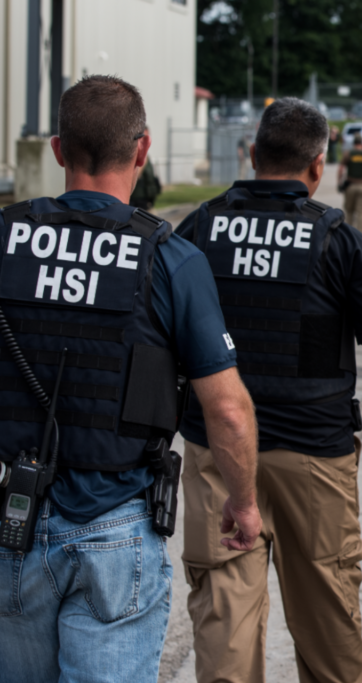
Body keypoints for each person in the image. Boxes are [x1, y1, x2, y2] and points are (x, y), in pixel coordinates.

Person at [175, 97, 362, 683]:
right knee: (328, 632)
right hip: (312, 456)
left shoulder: (198, 227)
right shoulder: (335, 239)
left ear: (253, 155)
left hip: (216, 456)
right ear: (318, 166)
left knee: (224, 627)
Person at [0, 75, 261, 682]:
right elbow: (226, 409)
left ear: (60, 150)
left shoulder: (7, 239)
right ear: (142, 150)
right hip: (115, 523)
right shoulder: (171, 258)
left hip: (16, 515)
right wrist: (243, 501)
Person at [130, 126, 162, 209]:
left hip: (147, 201)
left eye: (147, 137)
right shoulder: (134, 157)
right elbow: (135, 177)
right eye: (142, 138)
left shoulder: (147, 157)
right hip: (136, 201)